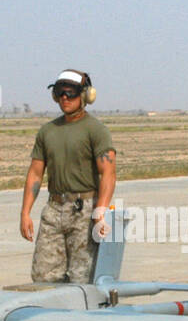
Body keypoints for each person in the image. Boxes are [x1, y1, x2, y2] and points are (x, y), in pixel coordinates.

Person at [20, 70, 116, 283]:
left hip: (84, 210)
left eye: (70, 93)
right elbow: (35, 173)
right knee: (43, 278)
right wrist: (25, 212)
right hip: (54, 210)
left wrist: (100, 211)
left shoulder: (96, 130)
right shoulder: (47, 132)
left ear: (85, 96)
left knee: (81, 279)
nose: (64, 98)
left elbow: (108, 173)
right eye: (60, 92)